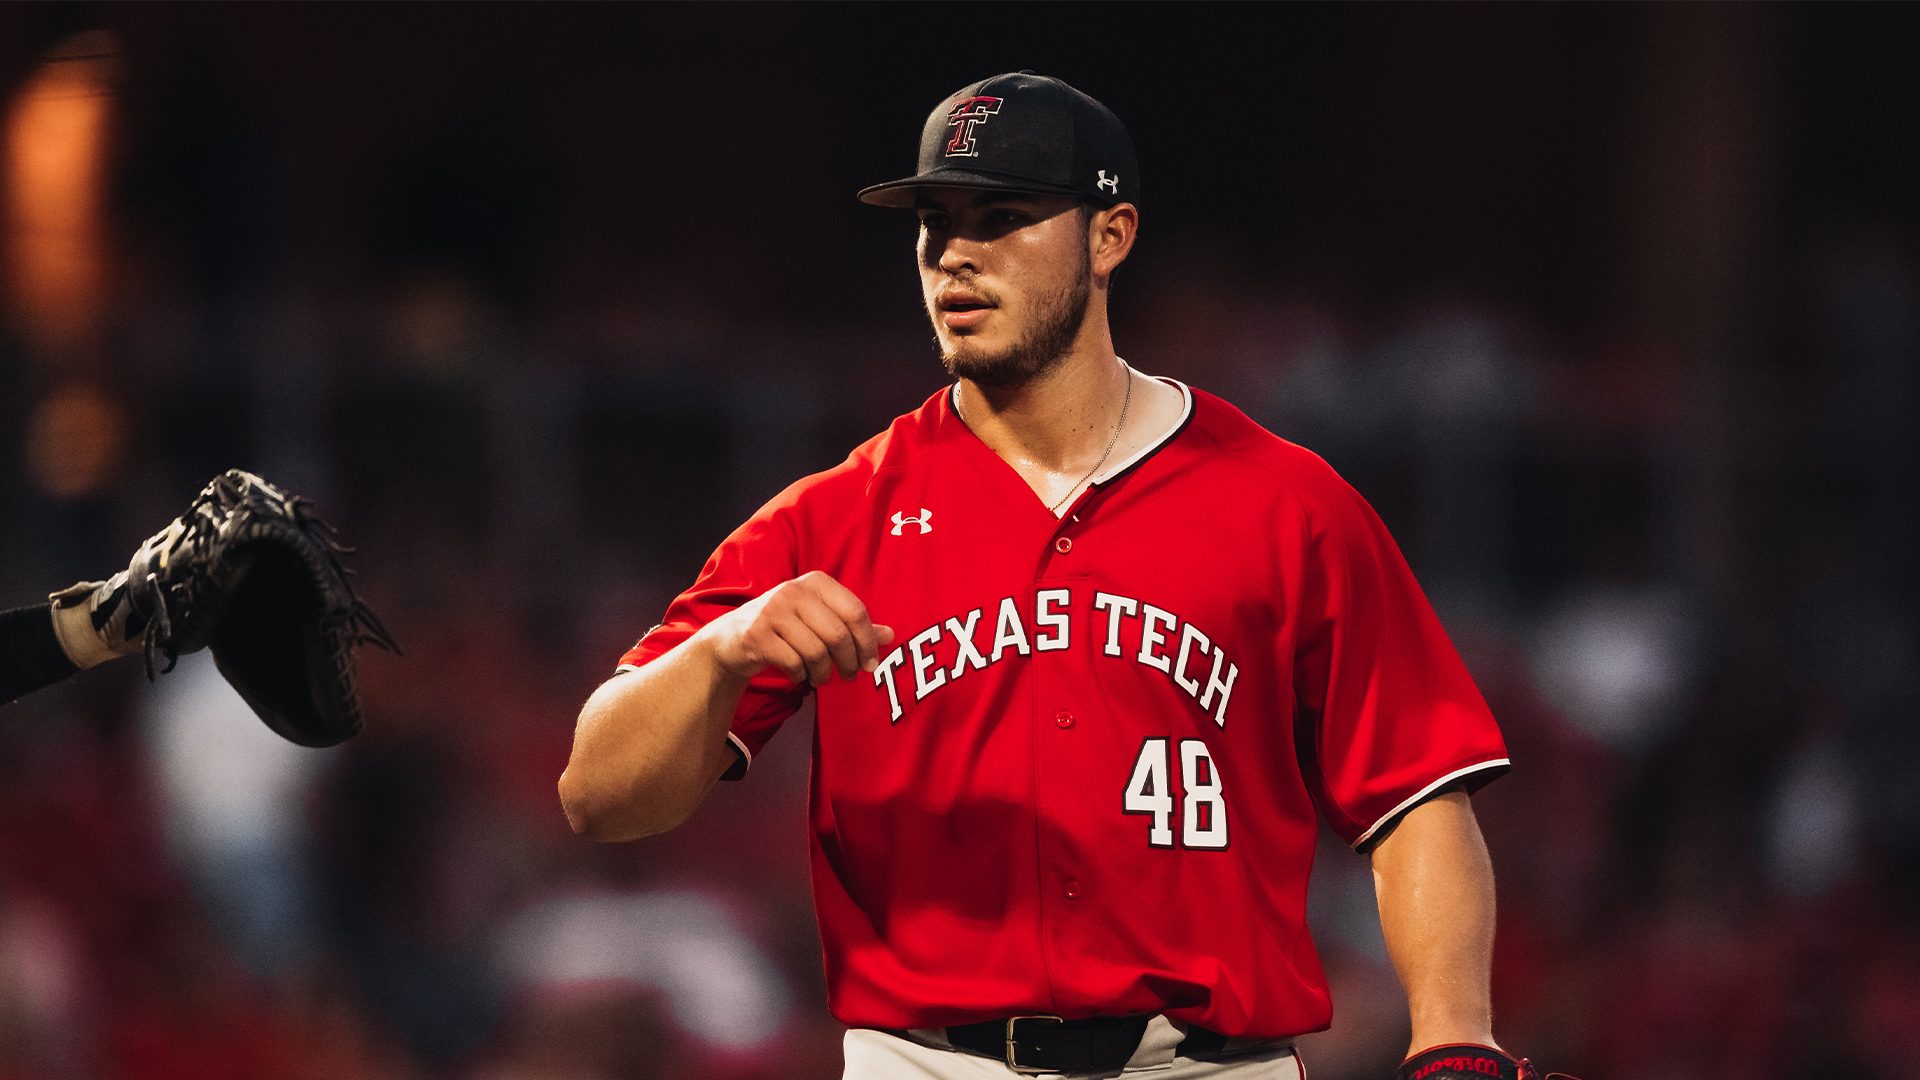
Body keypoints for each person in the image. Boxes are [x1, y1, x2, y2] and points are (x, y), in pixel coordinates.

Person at [561, 73, 1546, 1080]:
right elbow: (598, 794)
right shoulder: (833, 516)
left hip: (1212, 1067)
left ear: (1111, 236)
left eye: (1004, 217)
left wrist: (1455, 1036)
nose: (955, 253)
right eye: (936, 224)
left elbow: (1418, 794)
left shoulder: (1285, 504)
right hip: (931, 1066)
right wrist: (723, 652)